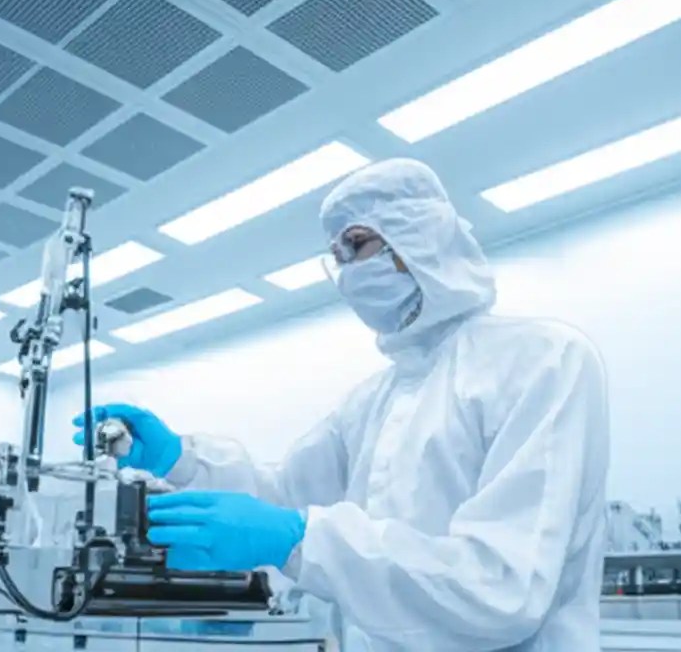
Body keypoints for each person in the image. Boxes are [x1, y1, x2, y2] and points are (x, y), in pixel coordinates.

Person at [74, 158, 610, 651]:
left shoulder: (542, 359)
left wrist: (305, 540)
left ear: (419, 238)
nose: (348, 270)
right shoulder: (373, 400)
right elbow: (284, 492)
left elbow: (501, 587)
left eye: (357, 244)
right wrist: (179, 460)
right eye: (337, 256)